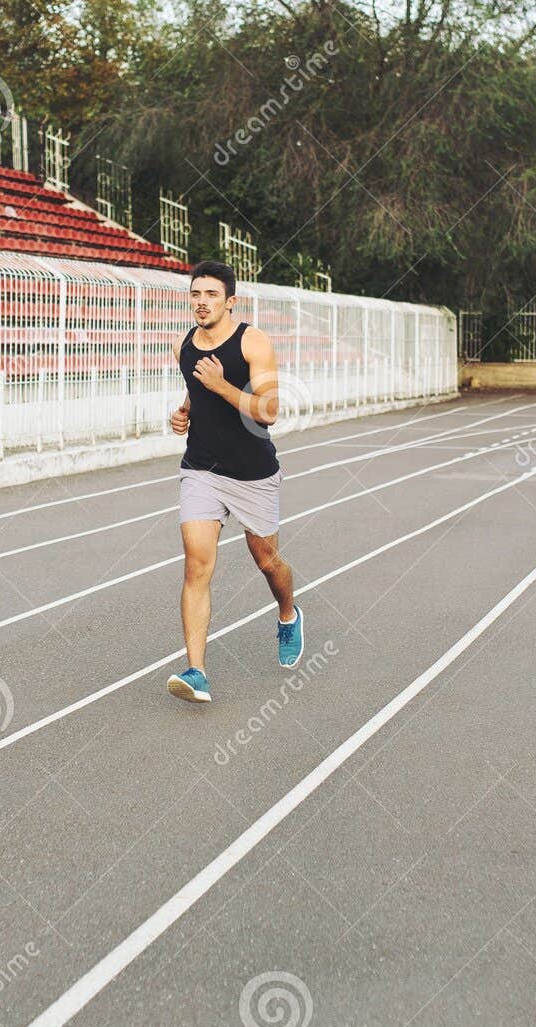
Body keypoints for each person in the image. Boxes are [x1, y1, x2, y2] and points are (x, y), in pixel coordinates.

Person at [166, 259, 301, 704]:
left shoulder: (252, 342)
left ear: (229, 302)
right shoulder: (183, 344)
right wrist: (186, 408)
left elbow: (270, 411)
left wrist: (223, 388)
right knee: (196, 565)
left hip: (252, 472)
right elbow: (196, 384)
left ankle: (287, 615)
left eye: (211, 295)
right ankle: (196, 671)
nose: (201, 303)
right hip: (201, 468)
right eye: (196, 294)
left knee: (267, 562)